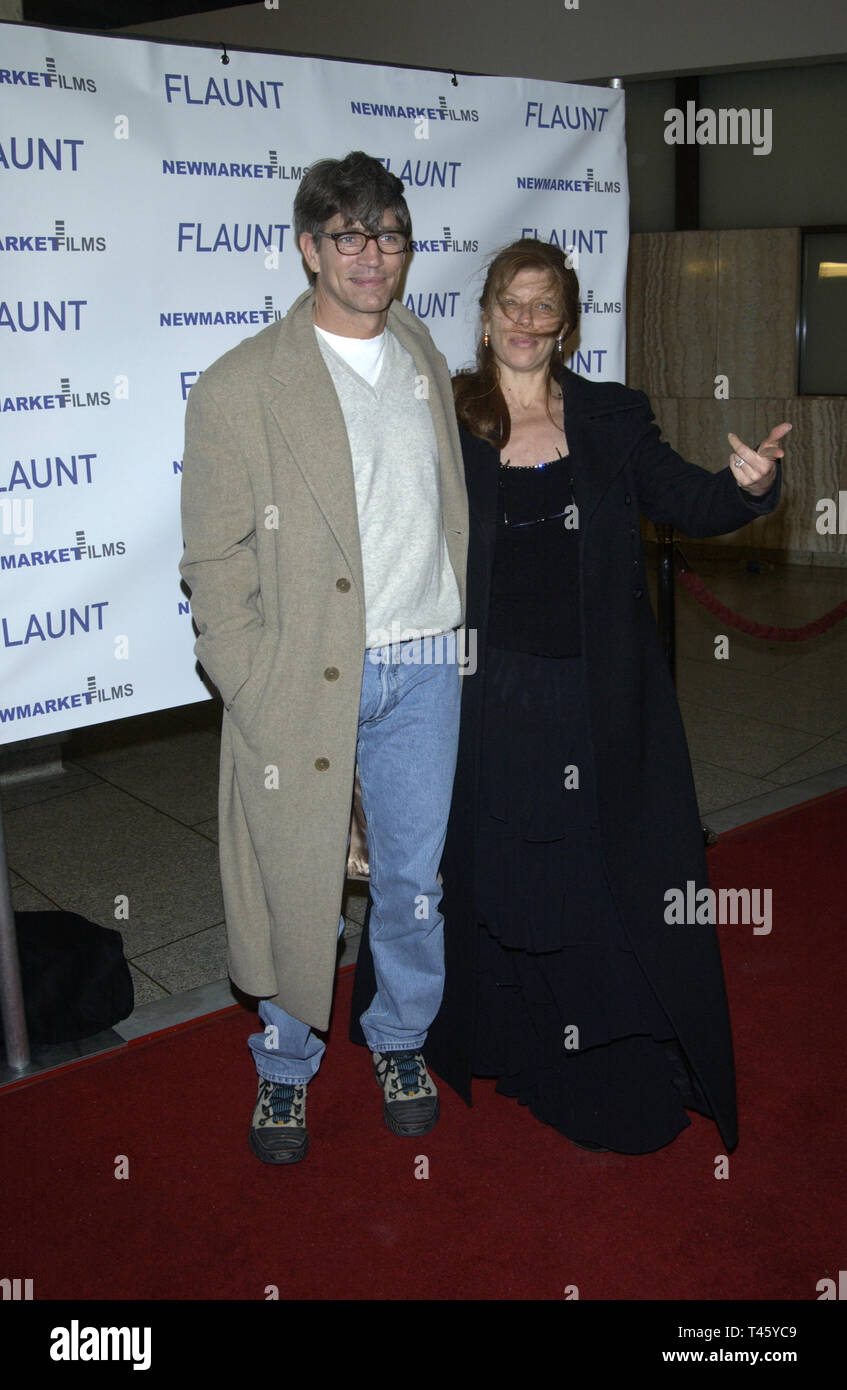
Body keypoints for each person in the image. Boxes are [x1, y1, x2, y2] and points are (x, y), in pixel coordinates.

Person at [421, 238, 788, 1155]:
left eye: (544, 308)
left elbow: (687, 500)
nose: (524, 321)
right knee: (508, 874)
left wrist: (749, 490)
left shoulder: (613, 417)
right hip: (490, 697)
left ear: (568, 325)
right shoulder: (444, 419)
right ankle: (520, 1038)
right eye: (510, 302)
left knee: (596, 872)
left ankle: (603, 1046)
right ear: (485, 313)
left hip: (595, 697)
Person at [179, 151, 468, 1165]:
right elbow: (213, 566)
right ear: (308, 248)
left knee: (412, 878)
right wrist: (255, 683)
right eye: (347, 235)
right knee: (292, 879)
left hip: (427, 664)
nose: (370, 256)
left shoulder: (423, 353)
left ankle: (398, 1040)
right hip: (301, 678)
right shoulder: (238, 387)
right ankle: (285, 1065)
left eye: (388, 234)